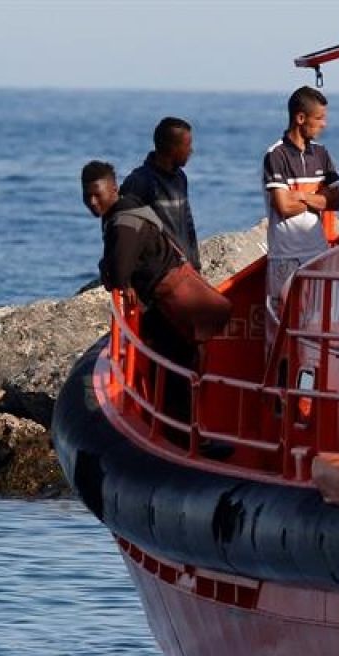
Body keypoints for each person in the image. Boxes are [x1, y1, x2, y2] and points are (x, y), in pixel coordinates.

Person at [81, 160, 231, 459]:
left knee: (176, 371)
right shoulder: (130, 209)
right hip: (170, 301)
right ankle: (187, 437)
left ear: (114, 188)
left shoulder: (123, 224)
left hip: (167, 305)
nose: (93, 203)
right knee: (179, 369)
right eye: (87, 197)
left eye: (98, 195)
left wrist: (108, 269)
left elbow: (117, 274)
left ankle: (184, 441)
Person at [263, 86, 339, 337]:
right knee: (280, 328)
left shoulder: (321, 153)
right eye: (319, 118)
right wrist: (318, 197)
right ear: (300, 118)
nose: (324, 124)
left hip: (316, 253)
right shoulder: (276, 155)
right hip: (284, 257)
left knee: (316, 326)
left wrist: (302, 195)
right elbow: (283, 207)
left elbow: (336, 199)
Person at [120, 117, 200, 271]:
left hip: (184, 271)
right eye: (187, 145)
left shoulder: (181, 178)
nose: (191, 150)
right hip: (157, 274)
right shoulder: (139, 182)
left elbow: (188, 225)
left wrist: (195, 265)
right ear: (172, 149)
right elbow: (121, 231)